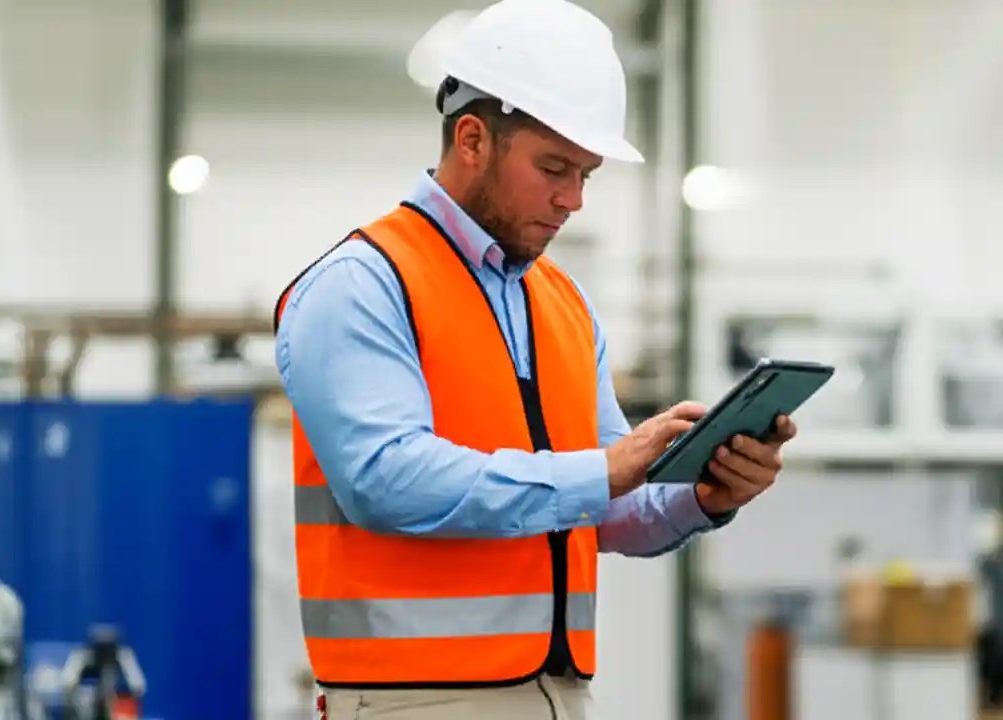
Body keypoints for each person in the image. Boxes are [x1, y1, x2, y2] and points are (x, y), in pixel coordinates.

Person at [272, 0, 797, 717]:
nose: (573, 199)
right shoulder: (361, 284)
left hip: (556, 695)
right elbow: (384, 478)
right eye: (554, 167)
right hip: (408, 702)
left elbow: (601, 505)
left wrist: (701, 496)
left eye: (586, 174)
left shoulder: (563, 305)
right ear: (471, 139)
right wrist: (604, 468)